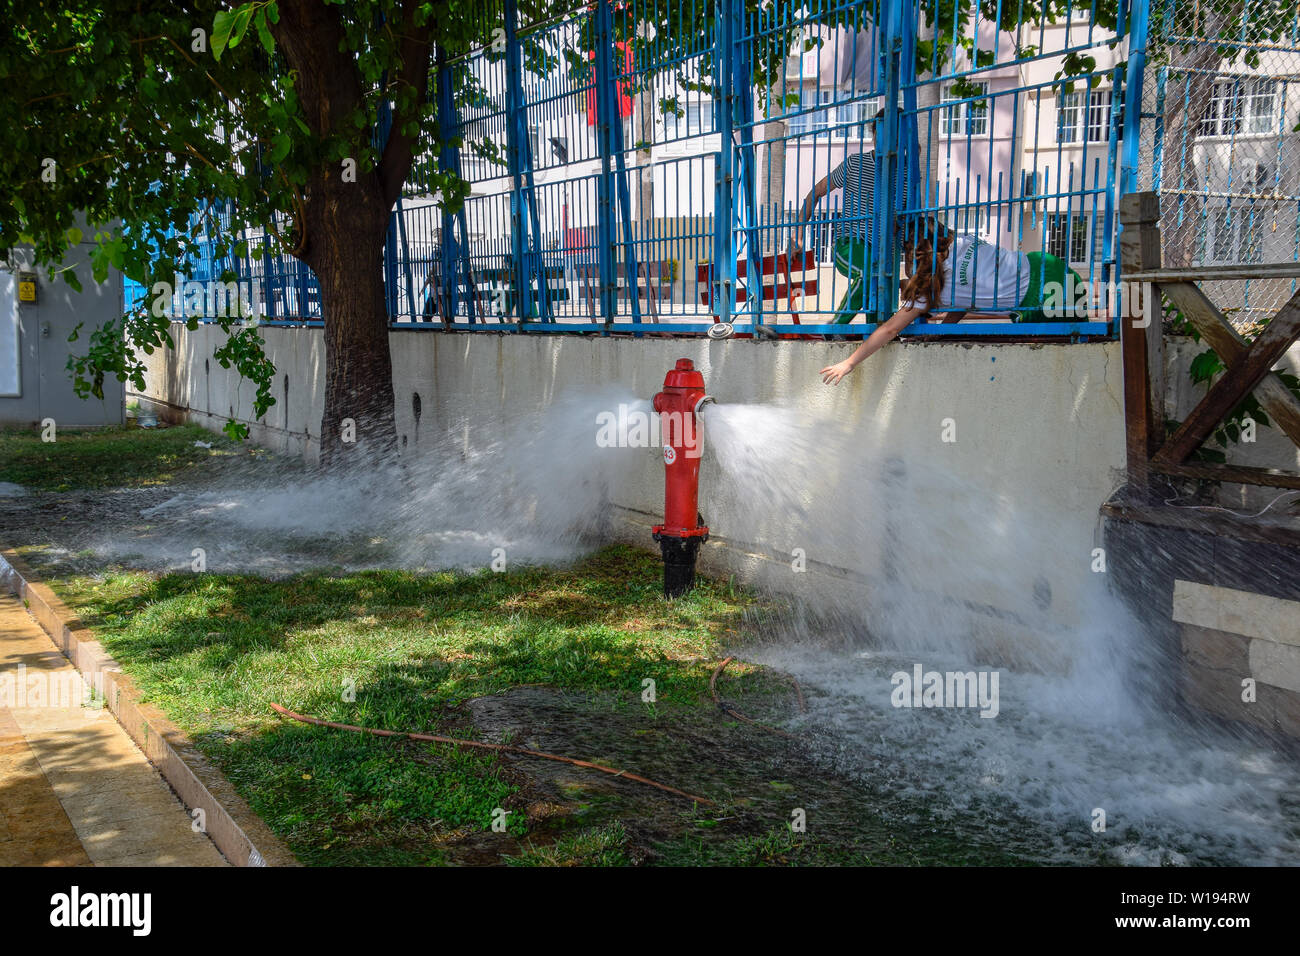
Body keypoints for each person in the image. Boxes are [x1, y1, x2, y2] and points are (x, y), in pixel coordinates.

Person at [819, 217, 1084, 384]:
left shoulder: (929, 288)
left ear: (913, 255)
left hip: (1037, 300)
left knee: (1066, 366)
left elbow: (890, 328)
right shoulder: (962, 242)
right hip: (1048, 266)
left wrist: (849, 362)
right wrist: (944, 329)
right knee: (1081, 336)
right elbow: (965, 299)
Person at [789, 108, 894, 324]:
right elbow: (815, 193)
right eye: (879, 132)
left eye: (895, 132)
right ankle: (836, 327)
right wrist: (798, 236)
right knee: (869, 274)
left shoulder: (906, 170)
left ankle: (875, 340)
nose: (884, 138)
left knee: (882, 307)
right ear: (874, 134)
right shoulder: (855, 163)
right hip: (851, 243)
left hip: (886, 252)